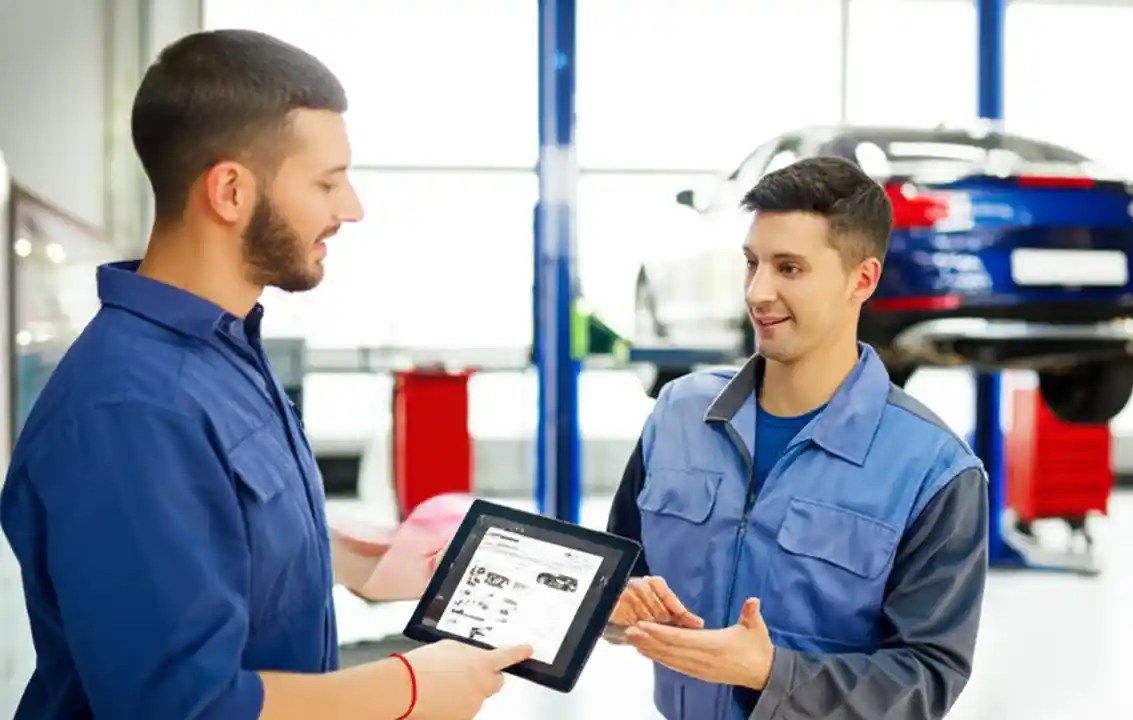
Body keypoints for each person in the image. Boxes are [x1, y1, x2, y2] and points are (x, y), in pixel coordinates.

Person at [0, 29, 530, 719]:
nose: (352, 208)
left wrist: (355, 559)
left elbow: (215, 535)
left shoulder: (223, 351)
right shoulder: (129, 410)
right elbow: (183, 707)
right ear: (229, 191)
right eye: (327, 182)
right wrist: (407, 688)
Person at [605, 156, 989, 720]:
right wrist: (612, 607)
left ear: (863, 279)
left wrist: (770, 674)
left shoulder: (935, 471)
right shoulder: (677, 415)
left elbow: (926, 680)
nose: (758, 292)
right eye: (752, 263)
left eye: (789, 268)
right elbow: (616, 576)